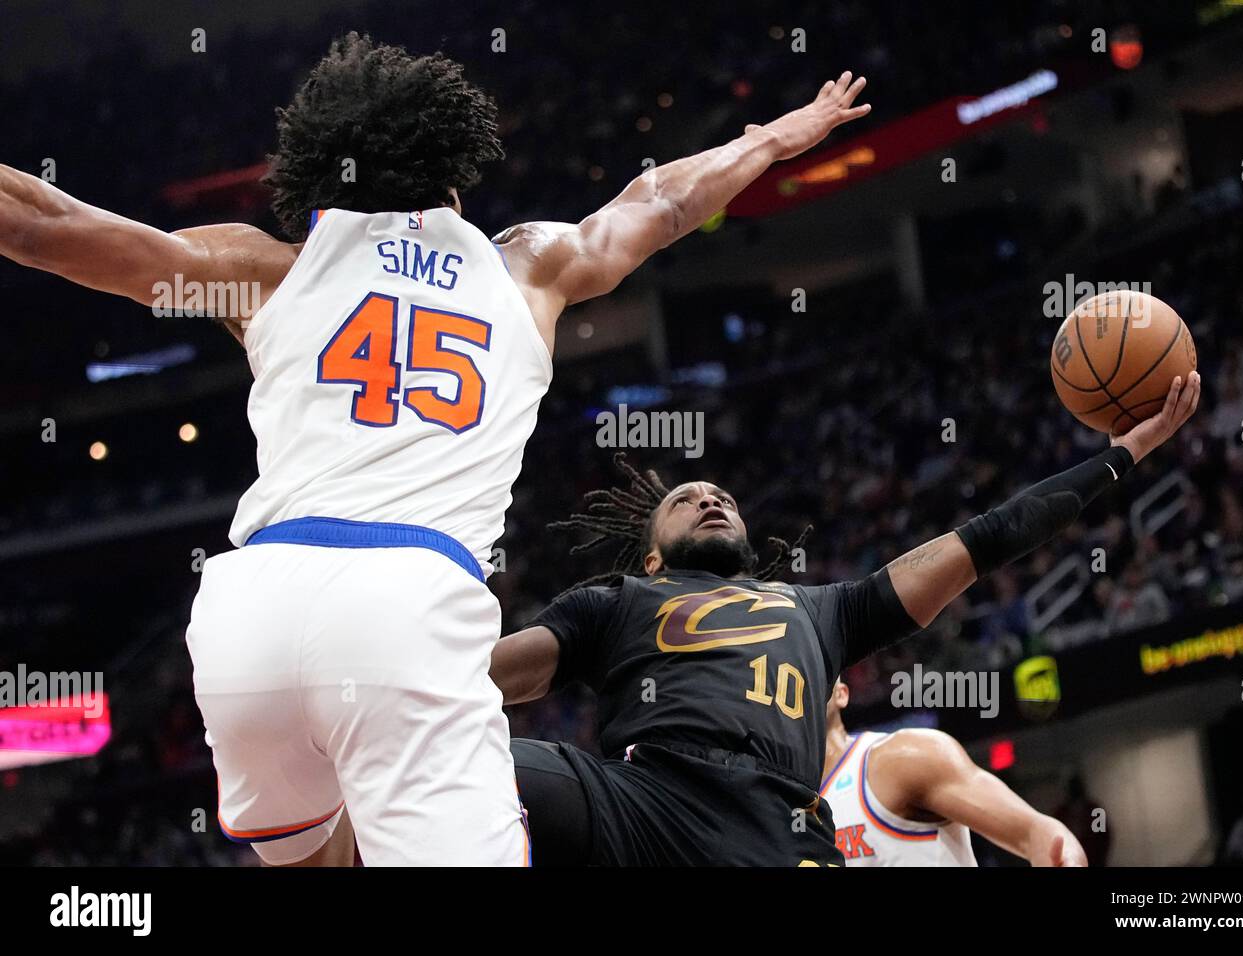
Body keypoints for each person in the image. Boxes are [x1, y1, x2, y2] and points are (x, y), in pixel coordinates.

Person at [0, 32, 873, 865]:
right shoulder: (527, 265)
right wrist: (768, 139)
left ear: (323, 180)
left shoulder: (267, 266)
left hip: (246, 612)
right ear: (453, 179)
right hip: (402, 604)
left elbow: (49, 227)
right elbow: (661, 204)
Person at [493, 374, 1200, 865]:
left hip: (777, 820)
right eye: (685, 499)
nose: (709, 497)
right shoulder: (615, 603)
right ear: (651, 559)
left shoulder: (824, 610)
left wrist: (1122, 454)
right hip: (646, 804)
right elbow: (478, 680)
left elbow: (989, 535)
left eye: (721, 495)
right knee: (483, 767)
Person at [821, 679, 1085, 866]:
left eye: (810, 666)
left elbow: (1036, 831)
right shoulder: (782, 809)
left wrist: (1062, 859)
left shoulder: (902, 758)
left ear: (842, 693)